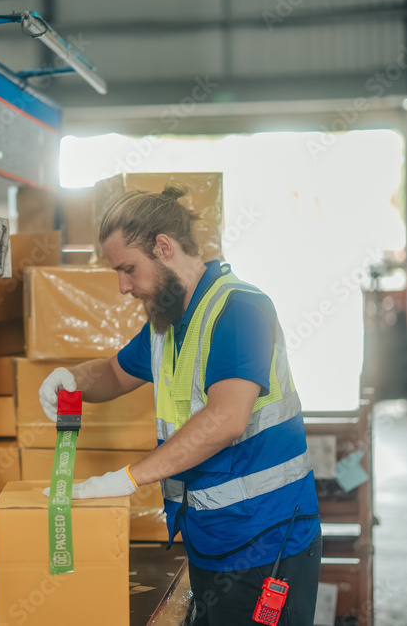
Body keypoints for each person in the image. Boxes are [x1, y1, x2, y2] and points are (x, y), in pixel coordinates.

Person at [39, 185, 322, 625]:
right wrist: (71, 379)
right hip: (211, 539)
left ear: (164, 248)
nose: (122, 287)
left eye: (128, 269)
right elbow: (114, 373)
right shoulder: (166, 323)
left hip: (268, 541)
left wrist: (130, 478)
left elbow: (226, 418)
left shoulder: (239, 310)